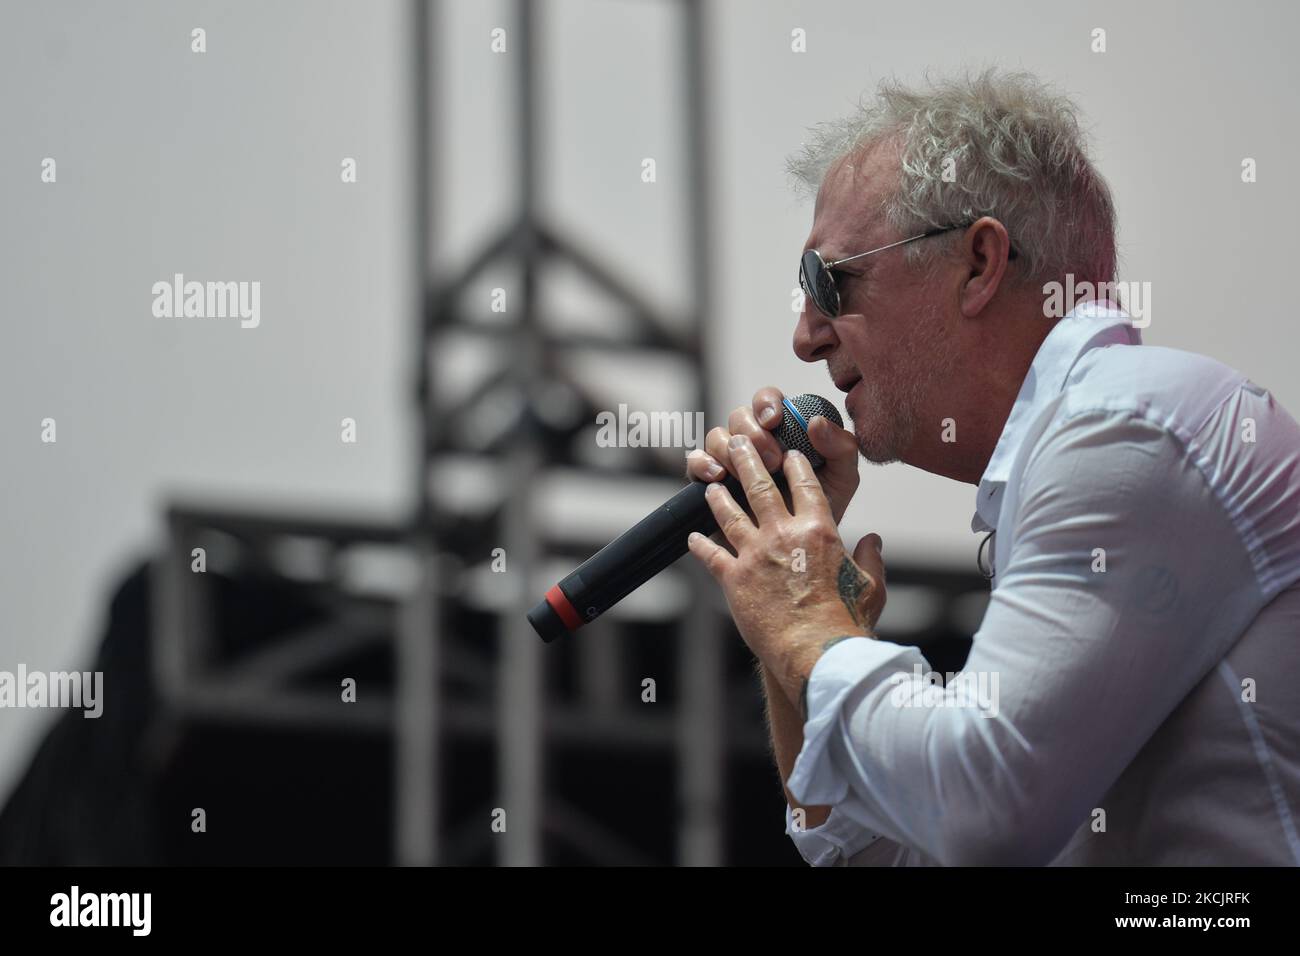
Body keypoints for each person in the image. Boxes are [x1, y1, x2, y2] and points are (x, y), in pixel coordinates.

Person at [684, 69, 1300, 865]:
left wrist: (810, 627)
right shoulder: (1088, 453)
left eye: (828, 282)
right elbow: (887, 855)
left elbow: (983, 810)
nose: (807, 336)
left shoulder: (1124, 425)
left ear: (979, 263)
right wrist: (791, 629)